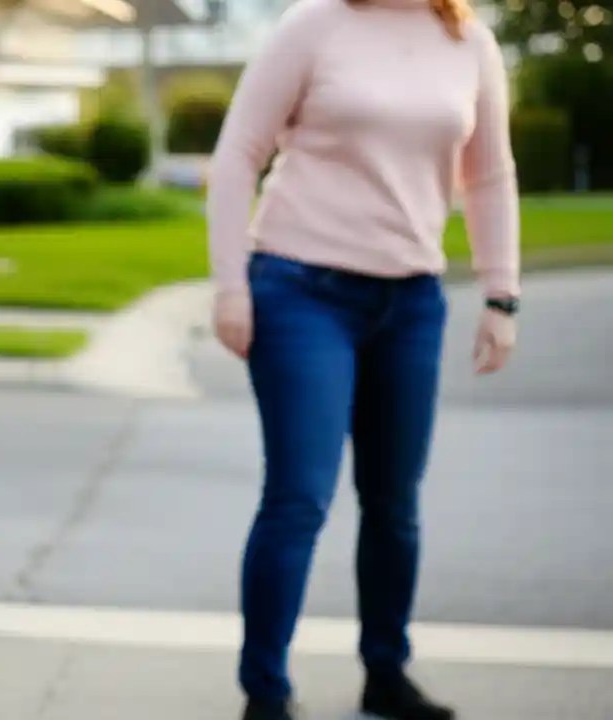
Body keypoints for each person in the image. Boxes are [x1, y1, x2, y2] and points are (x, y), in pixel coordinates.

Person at [205, 0, 521, 718]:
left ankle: (386, 672)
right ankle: (265, 693)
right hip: (300, 290)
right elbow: (238, 154)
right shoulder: (313, 24)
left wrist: (502, 293)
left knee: (394, 503)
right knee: (299, 497)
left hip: (411, 302)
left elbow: (490, 176)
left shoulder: (469, 40)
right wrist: (230, 287)